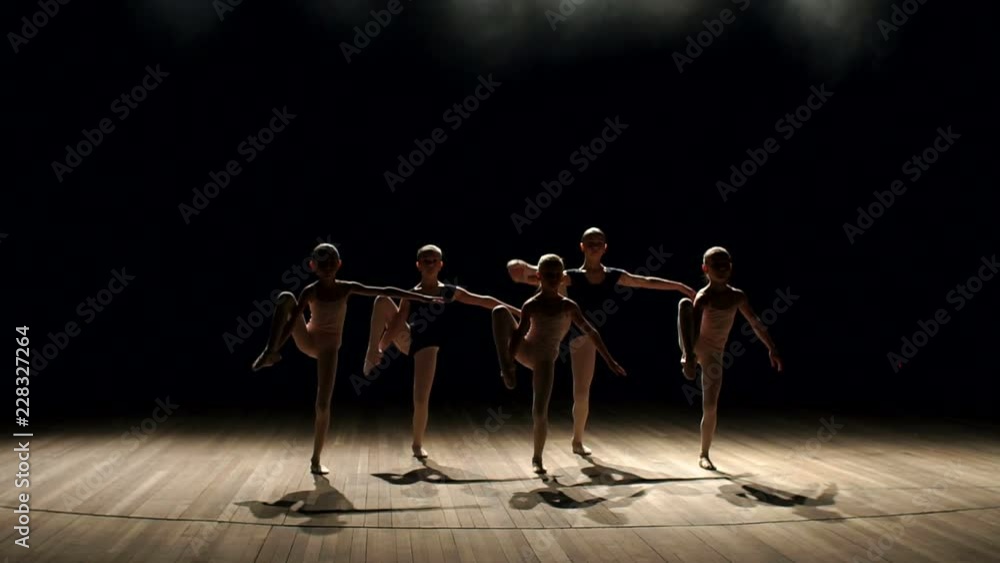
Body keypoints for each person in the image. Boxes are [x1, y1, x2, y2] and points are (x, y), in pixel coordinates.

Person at [251, 243, 442, 475]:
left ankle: (315, 459)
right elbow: (291, 323)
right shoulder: (310, 291)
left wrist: (419, 297)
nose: (327, 268)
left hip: (329, 348)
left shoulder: (346, 288)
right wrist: (275, 348)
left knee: (322, 405)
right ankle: (269, 352)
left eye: (331, 263)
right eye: (322, 264)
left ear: (339, 264)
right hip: (309, 339)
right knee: (285, 297)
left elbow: (385, 290)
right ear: (312, 266)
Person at [506, 227, 694, 455]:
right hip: (562, 325)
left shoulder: (614, 275)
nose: (594, 245)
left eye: (598, 242)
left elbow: (645, 281)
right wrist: (525, 269)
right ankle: (513, 361)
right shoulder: (570, 276)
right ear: (582, 247)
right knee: (560, 287)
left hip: (583, 334)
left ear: (605, 247)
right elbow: (537, 275)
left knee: (581, 391)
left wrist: (679, 286)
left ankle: (577, 441)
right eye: (590, 242)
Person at [361, 244, 521, 459]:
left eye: (434, 261)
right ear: (418, 265)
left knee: (420, 398)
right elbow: (398, 321)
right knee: (382, 299)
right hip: (408, 337)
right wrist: (380, 347)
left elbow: (483, 300)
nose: (430, 264)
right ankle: (371, 354)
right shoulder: (411, 293)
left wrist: (519, 312)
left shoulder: (448, 291)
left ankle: (417, 444)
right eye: (426, 261)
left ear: (440, 265)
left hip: (427, 345)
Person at [492, 253, 626, 474]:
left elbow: (591, 331)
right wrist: (509, 363)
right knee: (499, 312)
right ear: (539, 276)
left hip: (544, 359)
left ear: (562, 277)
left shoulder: (568, 305)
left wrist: (609, 360)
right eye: (548, 275)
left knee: (539, 411)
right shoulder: (531, 304)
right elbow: (518, 334)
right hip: (526, 350)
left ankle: (537, 458)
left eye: (556, 275)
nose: (553, 279)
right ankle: (506, 368)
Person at [677, 246, 783, 471]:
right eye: (716, 265)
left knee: (711, 406)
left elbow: (755, 322)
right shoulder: (704, 297)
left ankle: (704, 454)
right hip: (694, 344)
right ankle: (687, 357)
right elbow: (692, 327)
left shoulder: (737, 296)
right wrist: (690, 355)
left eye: (726, 264)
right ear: (705, 269)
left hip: (714, 354)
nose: (722, 269)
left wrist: (771, 347)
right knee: (684, 304)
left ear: (731, 267)